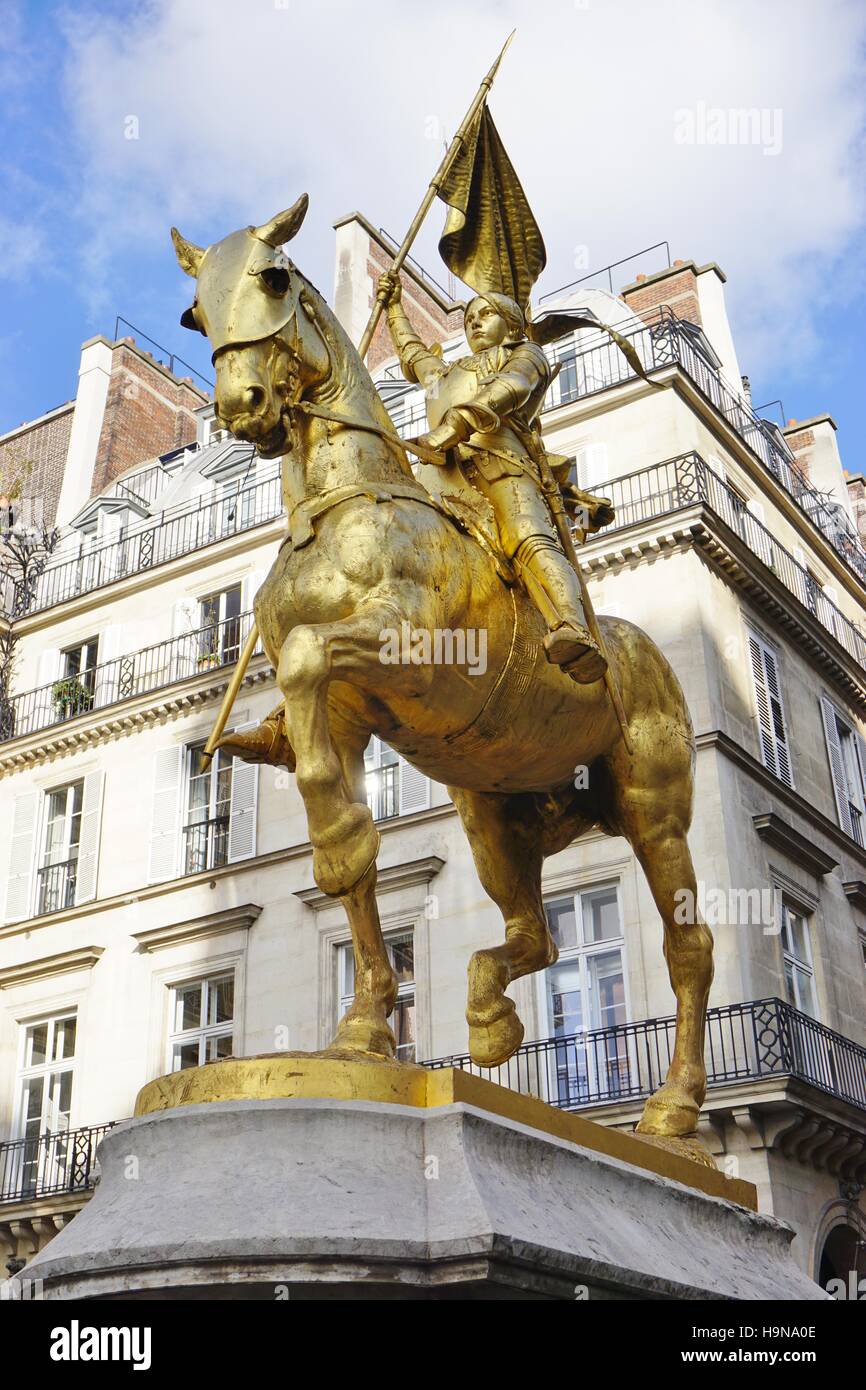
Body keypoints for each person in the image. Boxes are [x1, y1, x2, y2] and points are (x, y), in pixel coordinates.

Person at [378, 270, 607, 684]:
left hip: (499, 466)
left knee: (524, 533)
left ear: (512, 324)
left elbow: (510, 389)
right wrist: (394, 306)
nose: (475, 323)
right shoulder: (446, 373)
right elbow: (412, 354)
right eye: (468, 319)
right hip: (439, 479)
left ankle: (571, 626)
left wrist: (453, 427)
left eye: (486, 314)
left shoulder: (524, 354)